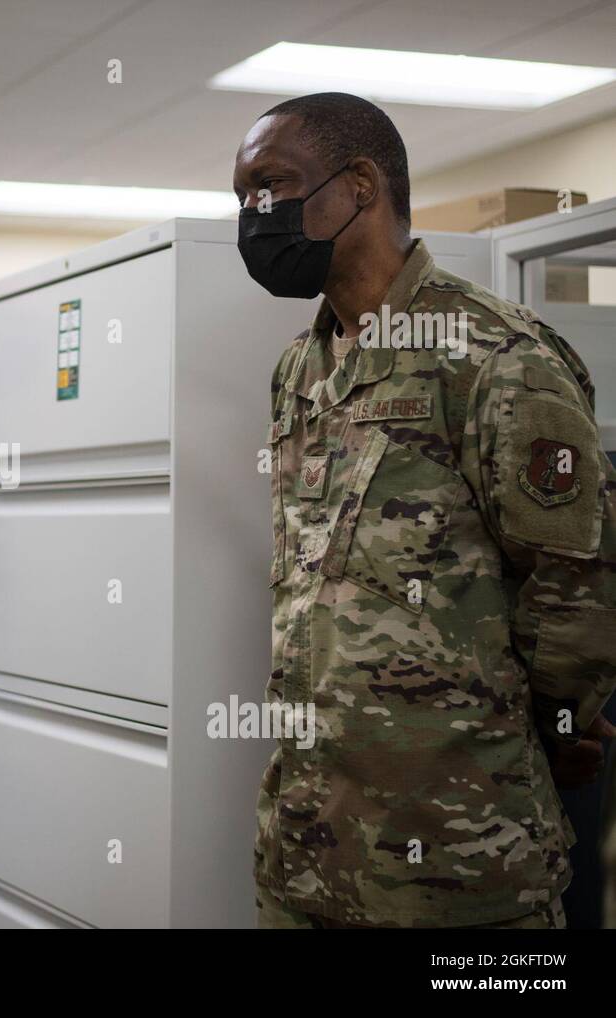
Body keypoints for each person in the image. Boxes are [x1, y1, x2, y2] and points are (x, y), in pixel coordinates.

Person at [232, 93, 616, 929]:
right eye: (242, 198)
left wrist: (559, 725)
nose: (254, 215)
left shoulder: (494, 356)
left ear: (359, 184)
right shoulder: (299, 368)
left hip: (459, 866)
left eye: (270, 186)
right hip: (306, 852)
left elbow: (574, 589)